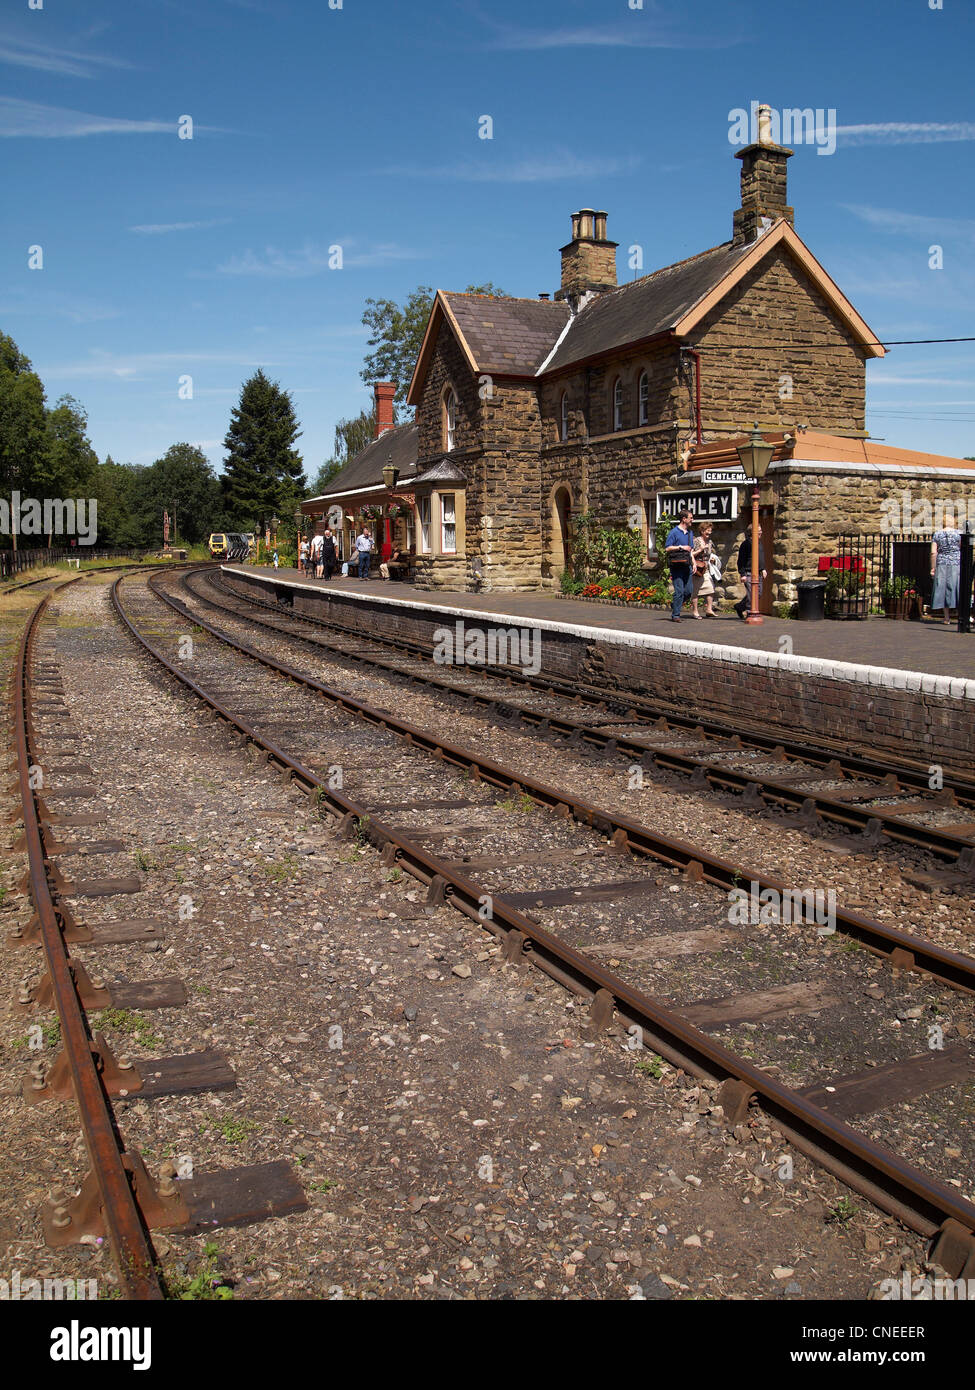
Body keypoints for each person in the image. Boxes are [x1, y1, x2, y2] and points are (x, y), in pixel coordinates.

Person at [664, 509, 695, 622]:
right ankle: (676, 615)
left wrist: (694, 563)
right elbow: (667, 548)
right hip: (676, 565)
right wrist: (680, 547)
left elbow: (690, 550)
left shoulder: (690, 533)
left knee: (688, 591)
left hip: (687, 564)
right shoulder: (674, 532)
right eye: (690, 518)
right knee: (679, 591)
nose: (692, 520)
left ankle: (675, 604)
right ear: (684, 519)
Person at [735, 523, 767, 619]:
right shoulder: (746, 544)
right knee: (751, 594)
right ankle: (750, 612)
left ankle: (740, 606)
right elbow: (741, 560)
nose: (761, 532)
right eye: (759, 530)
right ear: (752, 532)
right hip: (749, 573)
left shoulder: (759, 543)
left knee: (759, 593)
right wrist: (742, 574)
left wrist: (763, 569)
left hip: (758, 573)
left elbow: (760, 558)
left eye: (761, 530)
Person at [930, 524, 961, 624]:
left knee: (942, 589)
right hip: (956, 563)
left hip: (942, 563)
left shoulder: (937, 534)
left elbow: (933, 553)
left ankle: (946, 618)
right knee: (958, 588)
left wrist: (933, 568)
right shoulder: (959, 534)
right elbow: (962, 548)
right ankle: (963, 616)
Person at [690, 521, 717, 619]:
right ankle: (695, 611)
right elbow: (690, 554)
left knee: (711, 588)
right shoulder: (696, 541)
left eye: (710, 531)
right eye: (707, 531)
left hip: (706, 568)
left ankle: (709, 609)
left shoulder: (710, 542)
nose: (709, 533)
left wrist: (712, 559)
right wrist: (700, 550)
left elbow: (710, 554)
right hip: (697, 568)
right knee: (696, 591)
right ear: (702, 531)